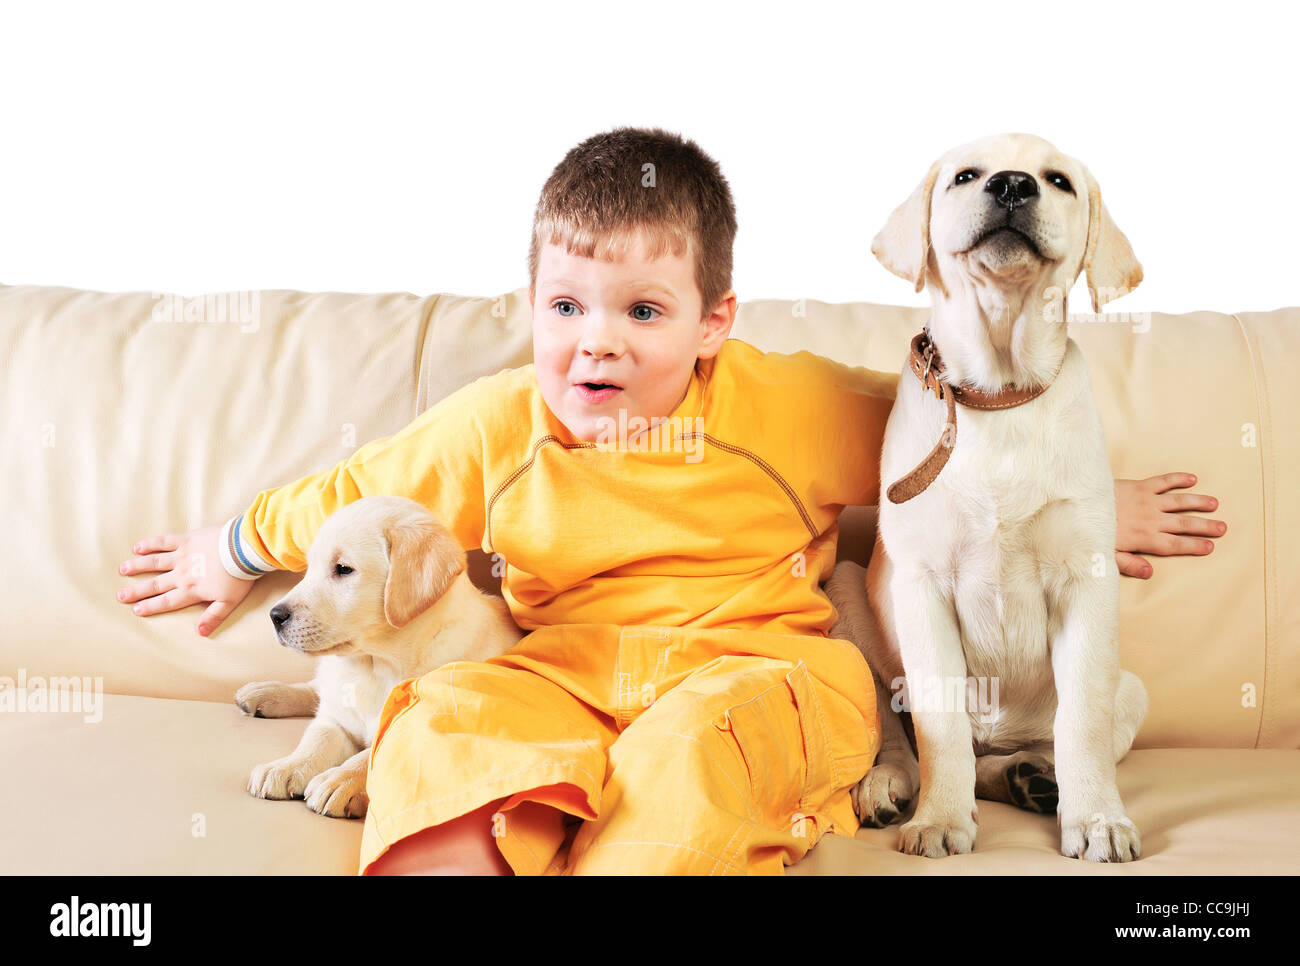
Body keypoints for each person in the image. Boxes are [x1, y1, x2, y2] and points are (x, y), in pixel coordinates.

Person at [116, 127, 1226, 875]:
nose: (594, 339)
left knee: (695, 747)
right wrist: (235, 546)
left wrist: (1088, 501)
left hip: (765, 670)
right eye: (566, 306)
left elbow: (957, 421)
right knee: (441, 717)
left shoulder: (784, 404)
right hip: (569, 676)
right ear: (532, 309)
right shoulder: (497, 423)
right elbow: (359, 490)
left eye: (643, 311)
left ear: (713, 323)